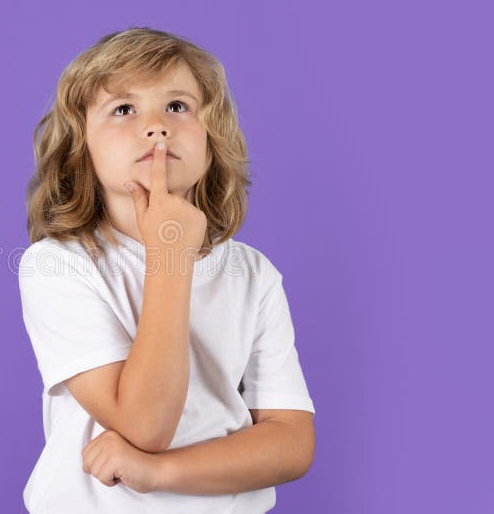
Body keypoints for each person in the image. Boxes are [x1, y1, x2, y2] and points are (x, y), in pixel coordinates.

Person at [17, 27, 316, 514]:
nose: (156, 127)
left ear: (211, 139)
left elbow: (292, 441)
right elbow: (144, 425)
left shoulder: (253, 273)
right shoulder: (58, 264)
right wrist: (172, 255)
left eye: (177, 106)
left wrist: (160, 474)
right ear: (81, 149)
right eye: (123, 109)